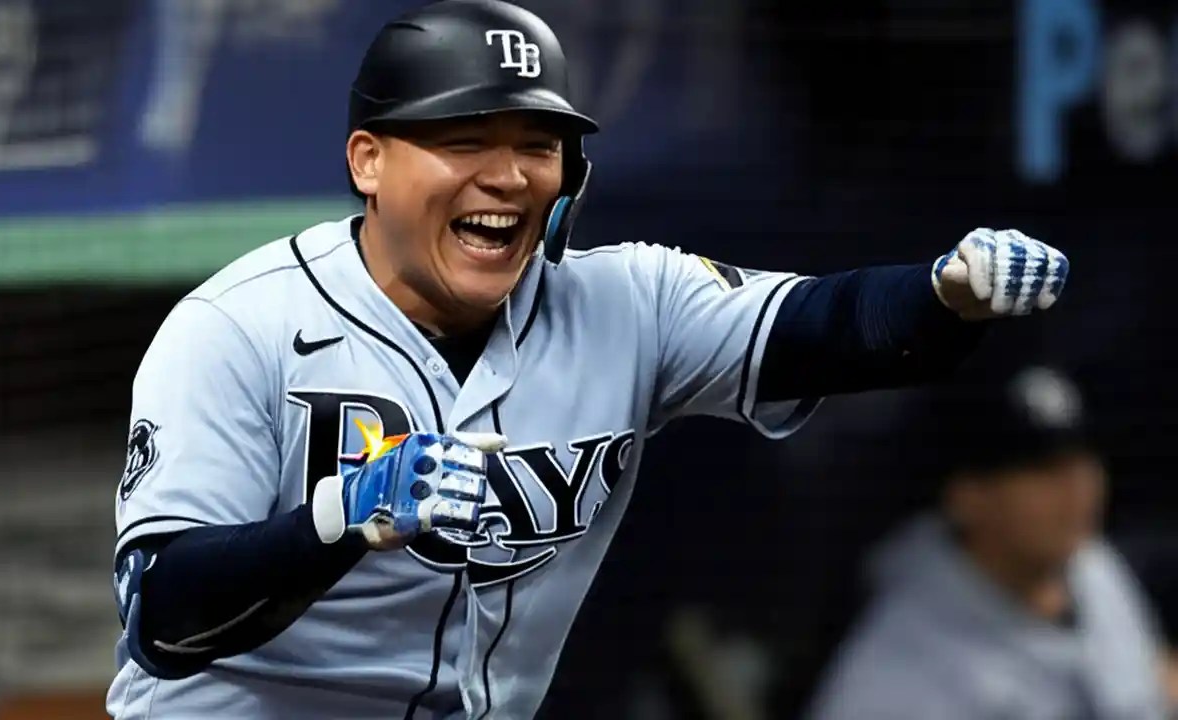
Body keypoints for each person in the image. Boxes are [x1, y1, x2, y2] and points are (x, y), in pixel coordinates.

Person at [107, 1, 1070, 717]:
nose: (507, 173)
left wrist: (945, 292)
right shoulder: (237, 329)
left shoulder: (625, 301)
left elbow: (821, 326)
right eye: (465, 137)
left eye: (539, 144)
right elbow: (164, 617)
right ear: (369, 162)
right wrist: (340, 517)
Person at [806, 366, 1170, 720]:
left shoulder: (1091, 565)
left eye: (1083, 458)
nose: (1077, 487)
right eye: (1041, 469)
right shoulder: (896, 678)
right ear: (965, 498)